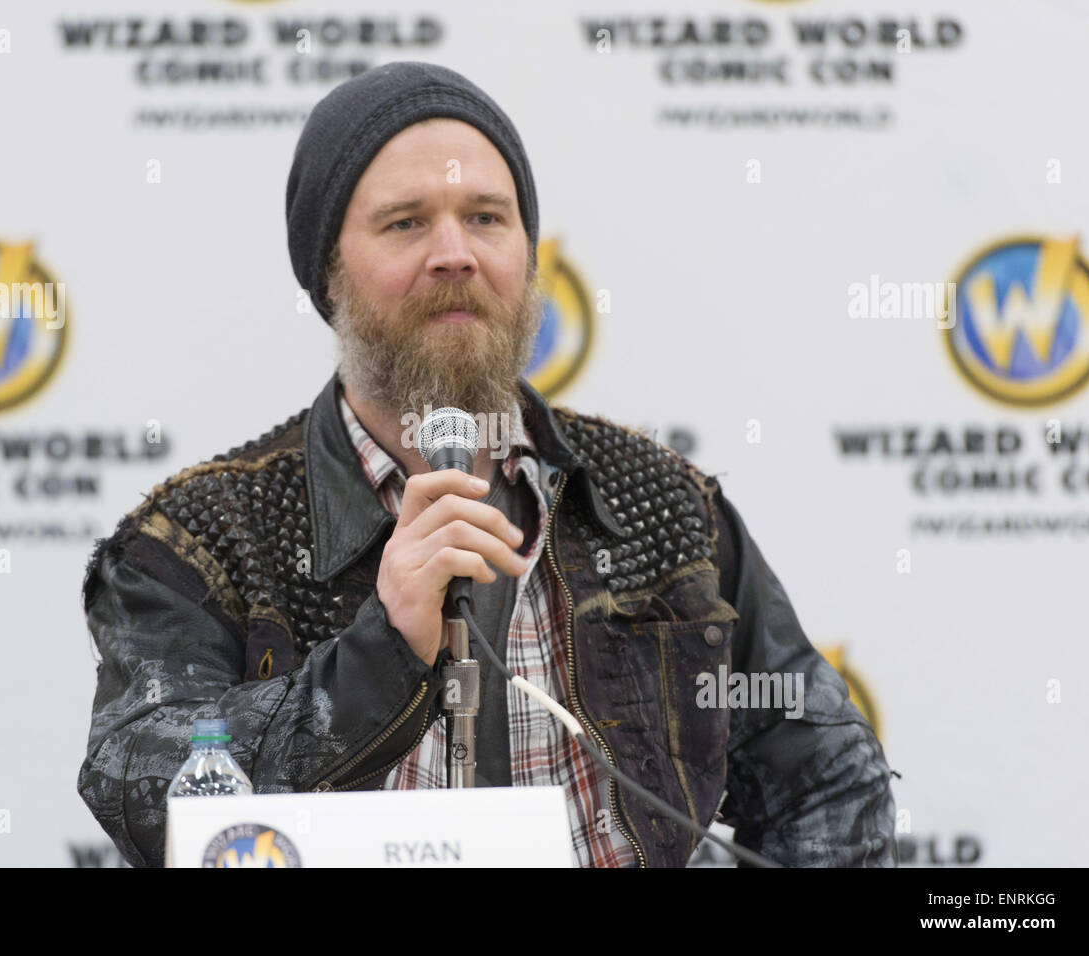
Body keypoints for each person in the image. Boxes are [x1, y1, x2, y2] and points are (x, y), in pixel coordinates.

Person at [77, 61, 898, 868]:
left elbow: (825, 775)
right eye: (405, 223)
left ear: (527, 257)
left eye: (486, 218)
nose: (455, 253)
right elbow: (147, 795)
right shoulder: (200, 538)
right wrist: (384, 650)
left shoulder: (659, 504)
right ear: (328, 273)